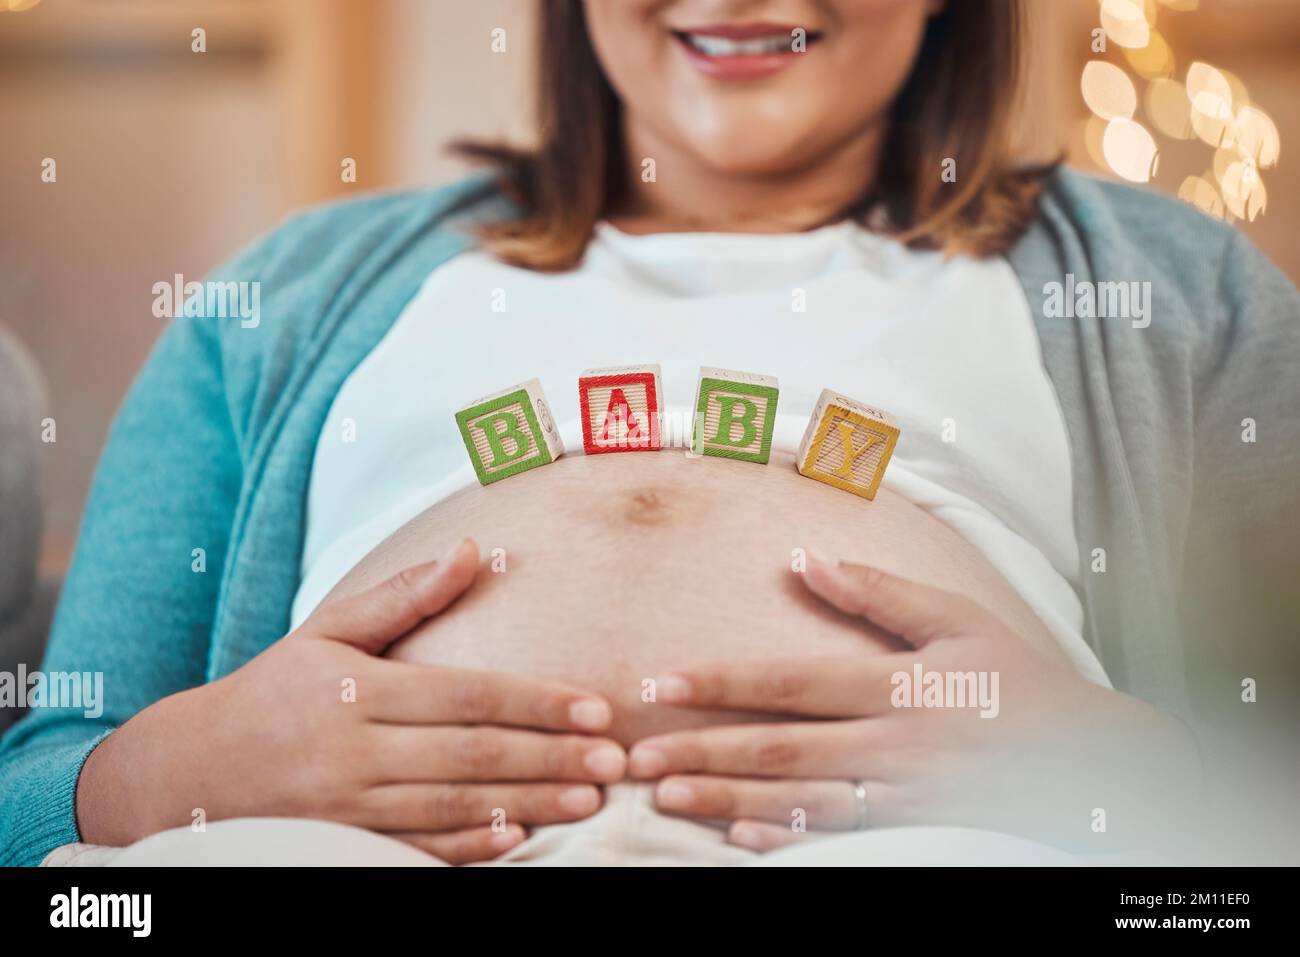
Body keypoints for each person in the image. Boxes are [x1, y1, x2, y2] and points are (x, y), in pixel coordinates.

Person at [3, 0, 1296, 867]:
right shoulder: (280, 304)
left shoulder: (1178, 297)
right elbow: (29, 801)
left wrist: (1129, 775)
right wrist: (162, 776)